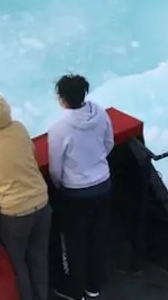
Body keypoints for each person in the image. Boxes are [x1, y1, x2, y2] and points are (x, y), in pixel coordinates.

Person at [0, 92, 51, 300]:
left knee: (18, 264)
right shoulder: (19, 127)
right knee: (39, 258)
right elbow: (32, 154)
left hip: (15, 213)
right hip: (42, 203)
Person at [47, 74, 115, 300]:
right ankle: (93, 286)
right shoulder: (100, 113)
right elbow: (109, 143)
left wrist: (62, 186)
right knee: (98, 236)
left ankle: (77, 292)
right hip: (103, 185)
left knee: (75, 243)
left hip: (75, 193)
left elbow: (55, 167)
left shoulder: (59, 128)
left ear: (62, 99)